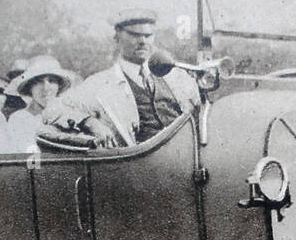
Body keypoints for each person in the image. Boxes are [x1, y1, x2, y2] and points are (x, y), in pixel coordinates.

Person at [43, 9, 199, 147]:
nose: (142, 41)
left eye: (147, 35)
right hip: (140, 170)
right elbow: (53, 110)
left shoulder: (177, 76)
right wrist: (89, 122)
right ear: (116, 38)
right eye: (134, 35)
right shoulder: (101, 84)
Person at [6, 56, 74, 152]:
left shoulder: (69, 116)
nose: (46, 88)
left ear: (58, 86)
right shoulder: (19, 119)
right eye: (39, 82)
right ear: (30, 87)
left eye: (51, 81)